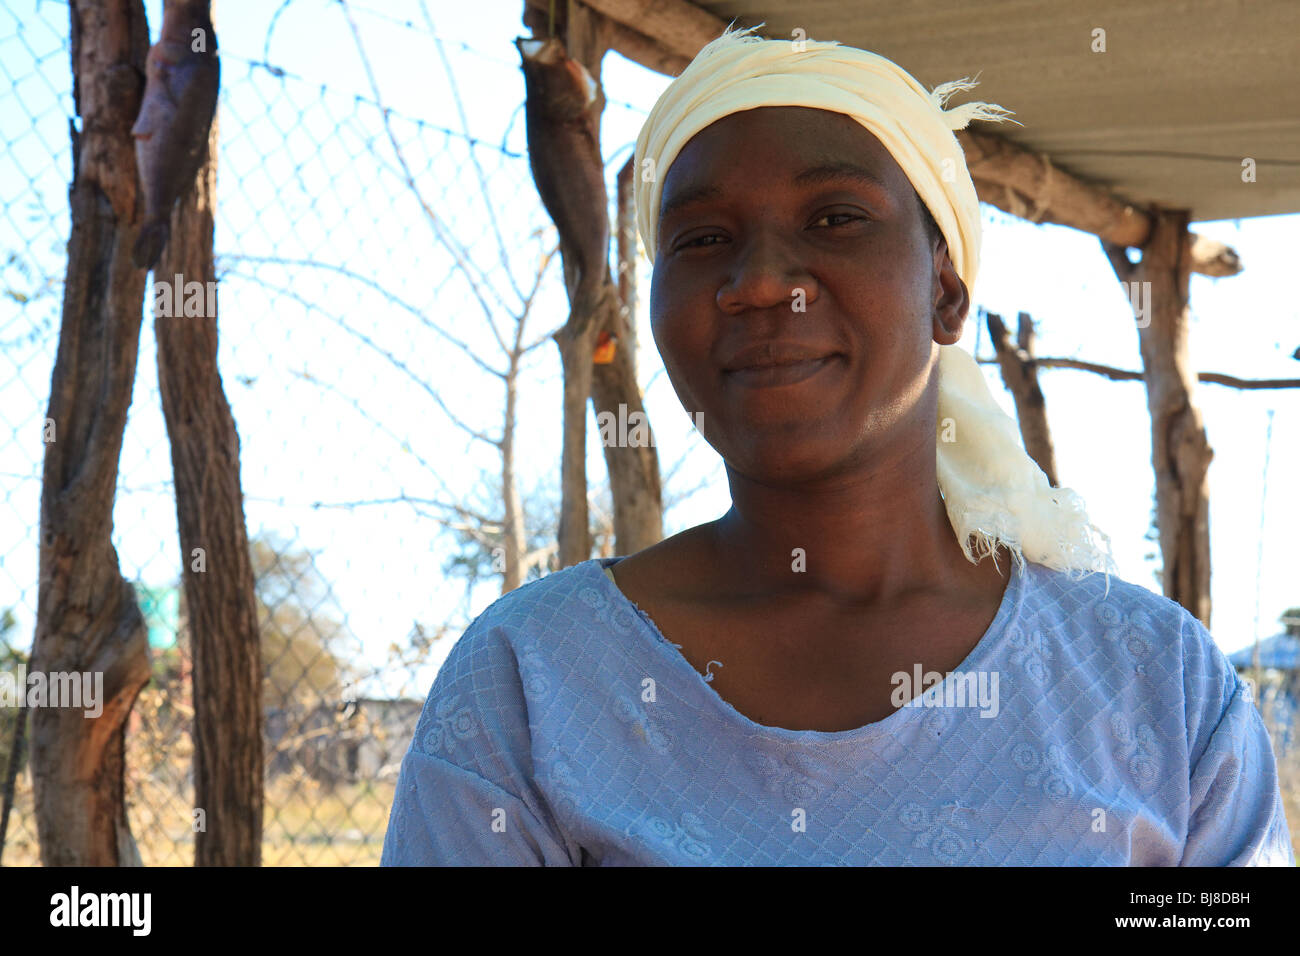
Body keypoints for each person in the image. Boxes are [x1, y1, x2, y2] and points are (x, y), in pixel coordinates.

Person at [380, 25, 1294, 866]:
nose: (762, 282)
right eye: (702, 239)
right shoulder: (535, 684)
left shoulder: (1154, 687)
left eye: (835, 219)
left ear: (945, 290)